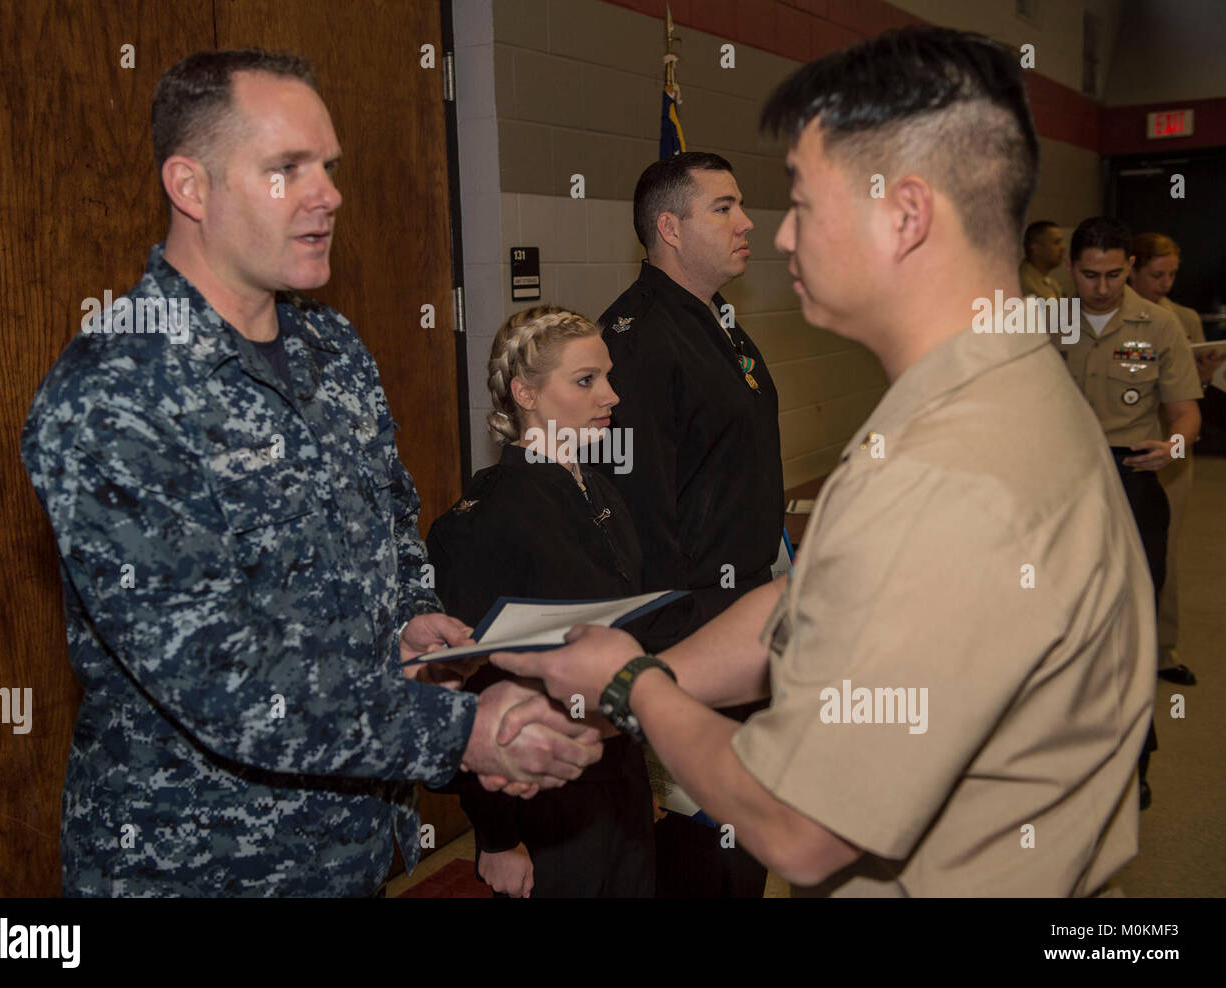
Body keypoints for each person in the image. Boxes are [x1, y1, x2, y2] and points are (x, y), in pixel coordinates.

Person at [491, 26, 1156, 897]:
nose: (779, 236)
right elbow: (816, 604)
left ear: (905, 216)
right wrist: (644, 678)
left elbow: (799, 826)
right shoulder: (1000, 394)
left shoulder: (936, 472)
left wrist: (632, 690)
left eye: (804, 202)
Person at [19, 48, 600, 897]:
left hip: (351, 847)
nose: (327, 193)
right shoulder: (112, 393)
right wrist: (460, 732)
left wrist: (409, 618)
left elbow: (391, 522)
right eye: (287, 168)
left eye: (327, 166)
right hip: (197, 866)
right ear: (191, 186)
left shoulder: (332, 348)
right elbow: (224, 678)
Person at [595, 151, 784, 897]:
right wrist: (677, 669)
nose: (746, 223)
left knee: (748, 833)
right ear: (669, 228)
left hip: (743, 613)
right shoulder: (635, 340)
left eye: (741, 206)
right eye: (724, 208)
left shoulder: (719, 322)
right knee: (706, 854)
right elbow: (639, 516)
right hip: (695, 631)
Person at [426, 306, 656, 898]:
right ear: (525, 392)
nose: (611, 394)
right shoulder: (486, 519)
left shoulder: (601, 493)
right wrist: (498, 838)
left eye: (607, 375)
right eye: (586, 381)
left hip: (616, 780)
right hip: (541, 798)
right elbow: (466, 687)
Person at [1061, 219, 1202, 808]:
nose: (1102, 286)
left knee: (1131, 629)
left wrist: (1171, 447)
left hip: (1133, 480)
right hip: (1062, 487)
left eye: (1114, 274)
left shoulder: (1159, 323)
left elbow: (1185, 414)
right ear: (1072, 269)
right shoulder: (1040, 322)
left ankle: (1132, 759)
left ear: (1128, 267)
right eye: (1090, 275)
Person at [1128, 233, 1204, 686]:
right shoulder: (1101, 316)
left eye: (1172, 274)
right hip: (1123, 443)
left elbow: (1191, 396)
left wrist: (1207, 373)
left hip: (1171, 448)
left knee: (1164, 550)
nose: (1165, 283)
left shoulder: (1184, 319)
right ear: (1134, 268)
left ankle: (1161, 648)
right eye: (1157, 274)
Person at [1019, 220, 1066, 299]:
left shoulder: (1045, 278)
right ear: (1036, 248)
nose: (1063, 248)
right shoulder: (1026, 284)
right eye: (1056, 243)